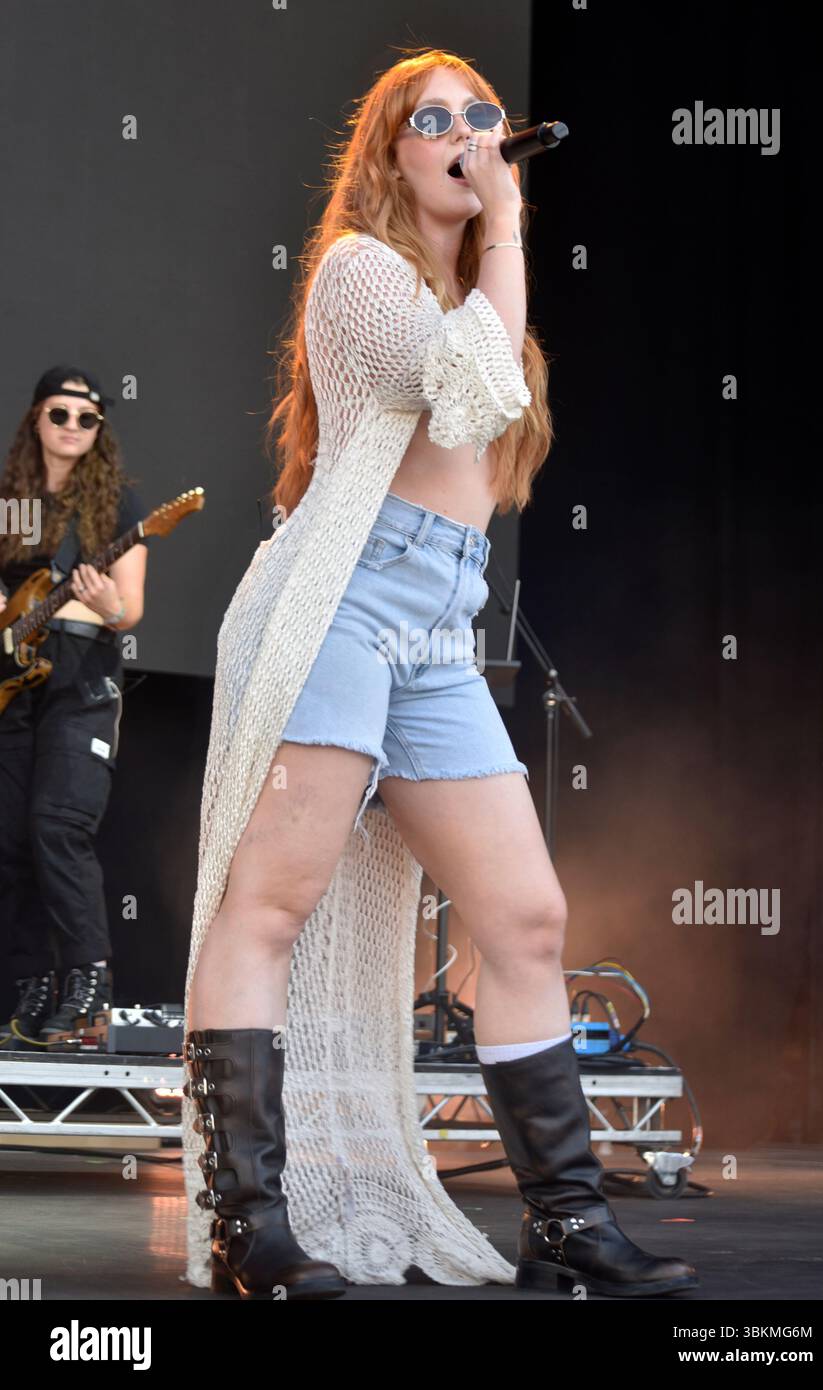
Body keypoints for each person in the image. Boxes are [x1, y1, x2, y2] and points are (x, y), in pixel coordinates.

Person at [181, 48, 698, 1299]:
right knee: (270, 898)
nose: (470, 132)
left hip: (434, 622)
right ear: (390, 157)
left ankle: (568, 1231)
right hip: (338, 601)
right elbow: (469, 384)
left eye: (485, 115)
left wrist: (497, 240)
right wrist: (509, 217)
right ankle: (249, 1225)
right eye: (437, 119)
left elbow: (480, 421)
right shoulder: (361, 272)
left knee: (522, 917)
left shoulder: (474, 294)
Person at [0, 366, 148, 1047]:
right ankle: (30, 987)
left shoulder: (115, 507)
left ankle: (87, 980)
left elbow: (128, 610)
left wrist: (106, 601)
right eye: (59, 415)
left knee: (57, 825)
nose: (71, 428)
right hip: (14, 688)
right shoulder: (11, 502)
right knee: (10, 841)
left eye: (86, 420)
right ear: (37, 418)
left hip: (83, 684)